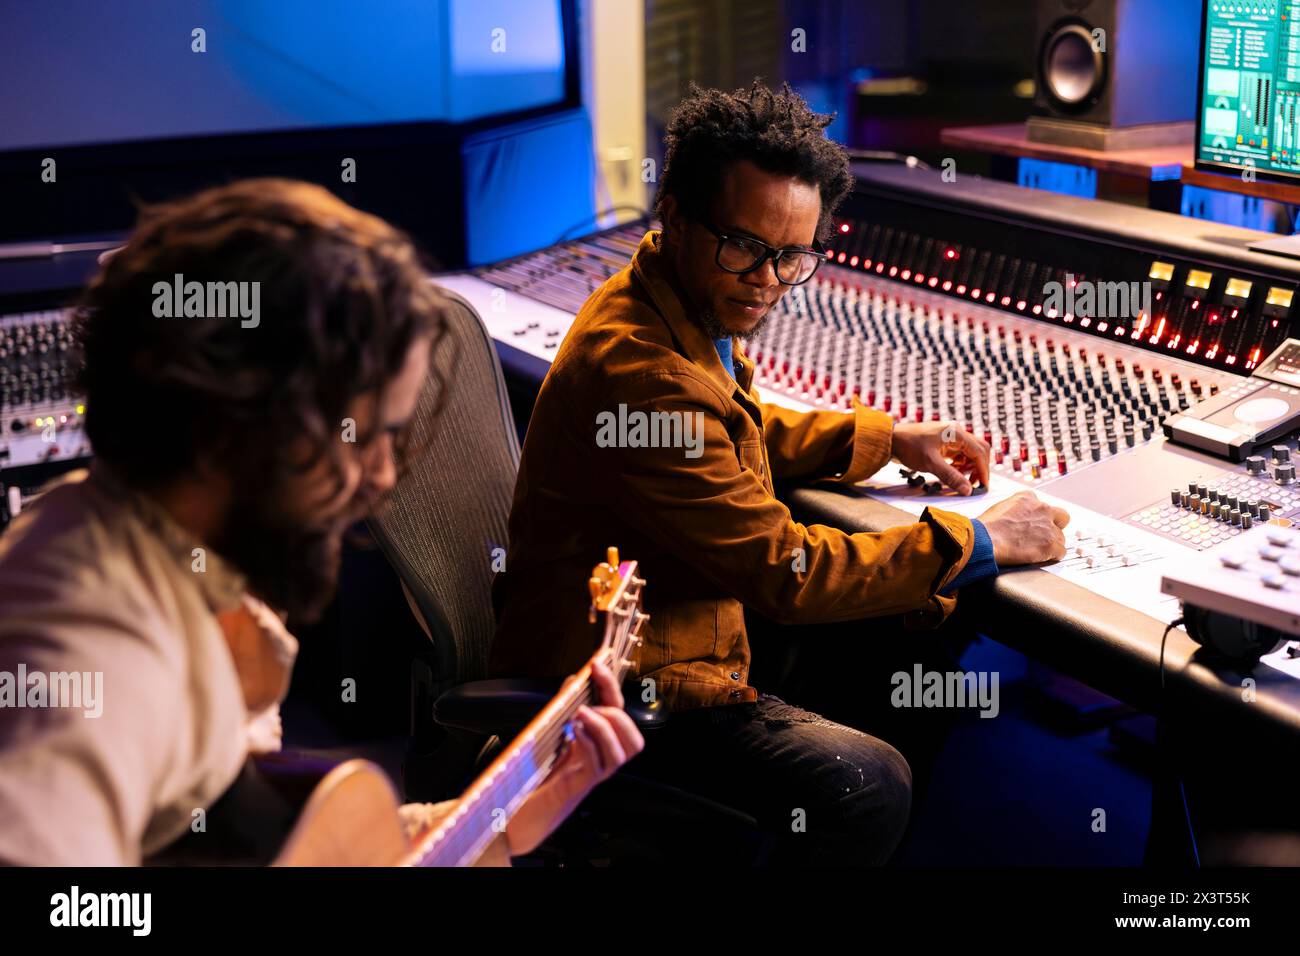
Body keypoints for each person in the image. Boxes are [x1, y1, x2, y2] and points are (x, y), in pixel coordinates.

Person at [490, 81, 1068, 865]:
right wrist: (978, 537)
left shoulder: (670, 301)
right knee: (867, 783)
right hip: (629, 688)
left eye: (793, 256)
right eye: (745, 248)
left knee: (925, 619)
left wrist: (888, 439)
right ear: (678, 218)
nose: (767, 279)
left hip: (681, 629)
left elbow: (734, 433)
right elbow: (785, 574)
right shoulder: (642, 369)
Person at [0, 179, 642, 866]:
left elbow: (264, 847)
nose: (385, 479)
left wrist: (507, 819)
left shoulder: (194, 561)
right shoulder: (89, 637)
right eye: (365, 438)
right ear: (242, 428)